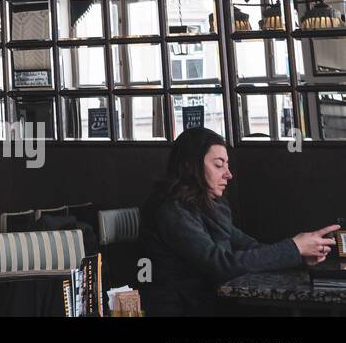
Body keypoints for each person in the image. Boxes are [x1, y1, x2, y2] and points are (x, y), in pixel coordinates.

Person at [139, 127, 338, 315]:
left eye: (227, 164)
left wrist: (300, 255)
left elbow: (249, 245)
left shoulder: (210, 205)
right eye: (218, 165)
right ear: (190, 167)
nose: (228, 174)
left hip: (210, 303)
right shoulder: (171, 210)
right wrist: (294, 247)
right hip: (185, 310)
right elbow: (220, 264)